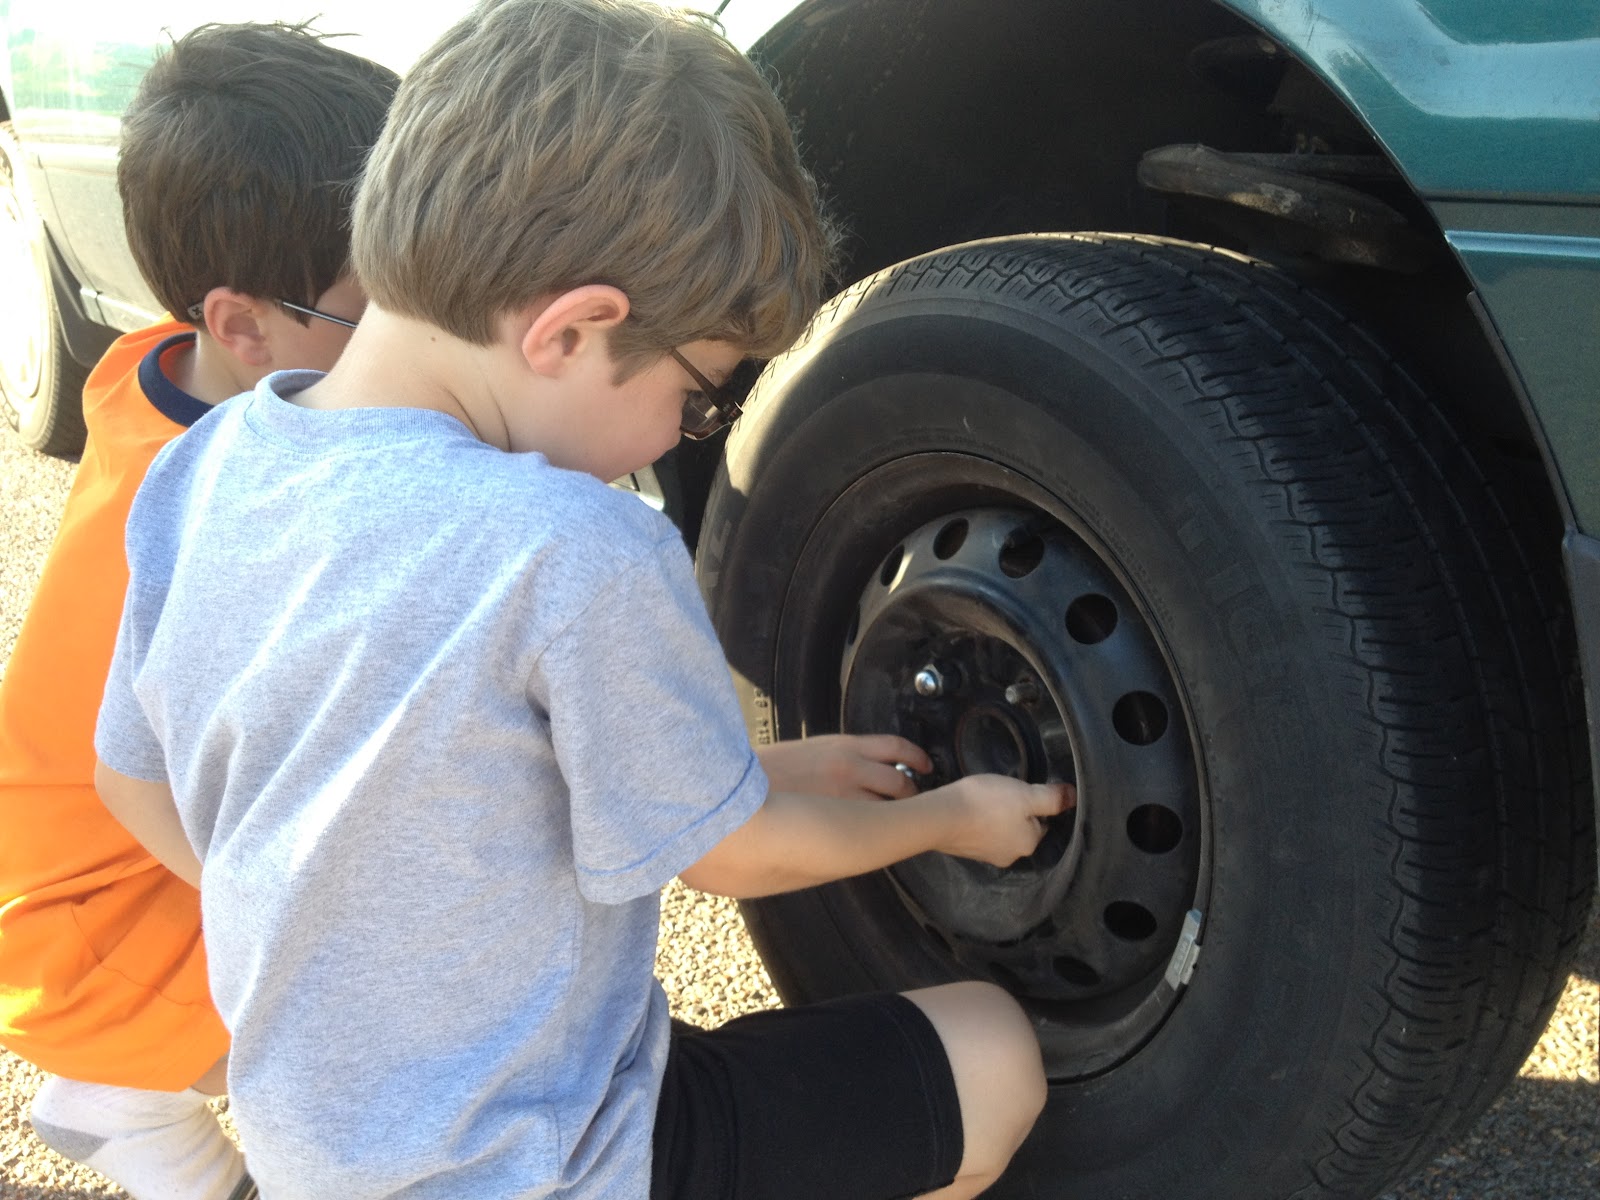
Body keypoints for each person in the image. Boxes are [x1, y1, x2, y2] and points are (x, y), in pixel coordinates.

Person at [92, 2, 1073, 1198]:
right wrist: (954, 817)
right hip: (553, 1162)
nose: (682, 433)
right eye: (700, 394)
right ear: (575, 330)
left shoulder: (206, 466)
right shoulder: (575, 545)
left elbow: (136, 781)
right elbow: (733, 857)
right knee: (992, 1050)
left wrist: (356, 904)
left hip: (315, 1158)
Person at [0, 22, 398, 1200]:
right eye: (390, 305)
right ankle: (130, 1095)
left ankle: (127, 1090)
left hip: (64, 879)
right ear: (241, 324)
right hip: (86, 929)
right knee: (388, 996)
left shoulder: (160, 370)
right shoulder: (212, 513)